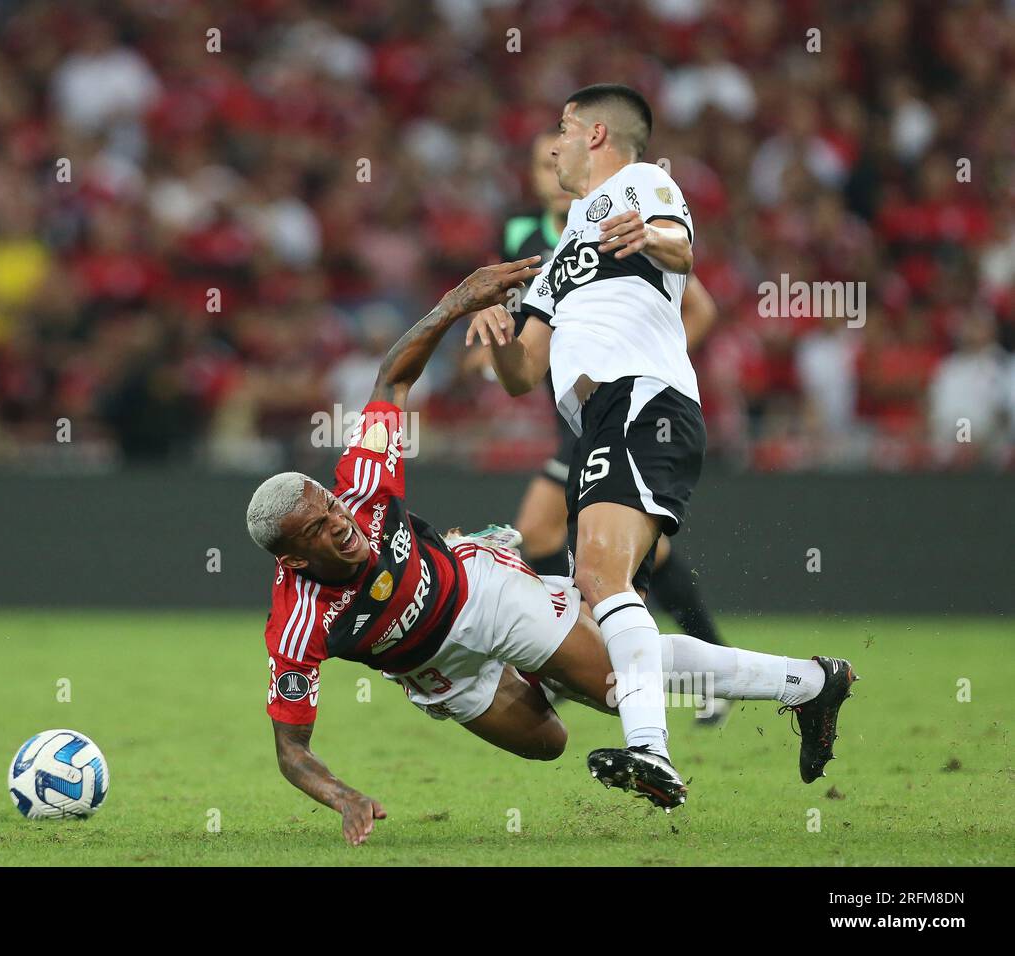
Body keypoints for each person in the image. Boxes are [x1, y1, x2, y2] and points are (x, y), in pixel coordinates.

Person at [247, 258, 857, 844]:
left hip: (483, 595)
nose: (341, 521)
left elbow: (393, 378)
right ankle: (561, 654)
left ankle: (805, 682)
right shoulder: (297, 625)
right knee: (550, 743)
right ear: (294, 560)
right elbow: (290, 753)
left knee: (616, 686)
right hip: (440, 674)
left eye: (329, 504)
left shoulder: (364, 485)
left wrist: (456, 302)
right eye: (319, 528)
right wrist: (343, 796)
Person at [465, 84, 853, 807]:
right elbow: (523, 375)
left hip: (644, 399)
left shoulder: (637, 185)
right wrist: (494, 336)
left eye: (564, 128)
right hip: (599, 425)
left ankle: (651, 751)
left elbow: (681, 245)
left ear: (600, 134)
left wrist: (652, 236)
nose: (553, 144)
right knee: (609, 631)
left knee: (603, 582)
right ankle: (812, 684)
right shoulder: (558, 258)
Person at [488, 132, 731, 726]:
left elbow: (696, 302)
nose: (551, 163)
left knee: (545, 533)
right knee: (626, 556)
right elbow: (528, 343)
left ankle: (570, 662)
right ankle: (702, 669)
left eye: (561, 149)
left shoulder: (613, 216)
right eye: (541, 154)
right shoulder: (526, 239)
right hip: (574, 409)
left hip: (622, 402)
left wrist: (642, 361)